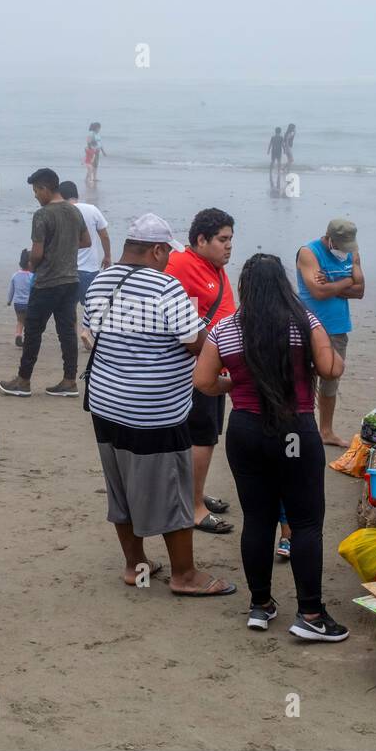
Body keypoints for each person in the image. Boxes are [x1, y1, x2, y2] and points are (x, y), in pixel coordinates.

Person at [195, 253, 348, 640]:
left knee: (258, 519)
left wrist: (233, 385)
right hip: (294, 431)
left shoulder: (225, 329)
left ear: (244, 288)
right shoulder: (304, 323)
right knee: (306, 522)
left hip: (245, 431)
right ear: (283, 286)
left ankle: (260, 605)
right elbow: (332, 369)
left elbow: (204, 382)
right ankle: (311, 615)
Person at [82, 214, 236, 597]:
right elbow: (195, 343)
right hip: (154, 410)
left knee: (120, 487)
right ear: (157, 249)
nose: (169, 260)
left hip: (105, 404)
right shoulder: (166, 286)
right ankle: (185, 575)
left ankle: (136, 567)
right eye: (168, 252)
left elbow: (94, 330)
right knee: (173, 490)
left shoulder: (100, 280)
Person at [165, 208, 237, 535]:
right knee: (201, 437)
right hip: (196, 368)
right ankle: (193, 507)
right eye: (223, 240)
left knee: (202, 437)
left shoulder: (212, 266)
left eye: (231, 240)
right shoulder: (182, 265)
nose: (229, 246)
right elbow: (175, 315)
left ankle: (195, 492)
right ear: (200, 240)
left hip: (211, 363)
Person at [0, 169, 89, 397]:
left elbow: (37, 253)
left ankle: (23, 380)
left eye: (36, 190)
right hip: (71, 280)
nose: (35, 196)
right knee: (67, 332)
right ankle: (69, 381)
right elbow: (86, 241)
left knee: (34, 330)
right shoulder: (74, 211)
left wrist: (33, 260)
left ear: (45, 188)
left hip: (47, 281)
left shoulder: (43, 214)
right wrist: (64, 249)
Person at [295, 218, 365, 447]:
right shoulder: (309, 252)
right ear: (330, 238)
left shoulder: (351, 250)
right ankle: (303, 429)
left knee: (331, 379)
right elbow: (317, 292)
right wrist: (346, 281)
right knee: (304, 379)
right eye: (341, 244)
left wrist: (334, 282)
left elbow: (360, 290)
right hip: (309, 326)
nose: (346, 249)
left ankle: (326, 431)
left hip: (337, 327)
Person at [59, 180, 111, 348]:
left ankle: (73, 338)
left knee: (70, 305)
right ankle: (86, 331)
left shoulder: (60, 212)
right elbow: (104, 235)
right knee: (92, 303)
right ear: (77, 195)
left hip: (68, 269)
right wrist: (107, 256)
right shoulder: (91, 210)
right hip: (90, 269)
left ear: (60, 196)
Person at [7, 249, 34, 347]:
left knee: (20, 321)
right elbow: (34, 291)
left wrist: (9, 301)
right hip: (28, 304)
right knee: (28, 323)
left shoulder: (15, 275)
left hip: (17, 304)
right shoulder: (32, 276)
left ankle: (18, 335)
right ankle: (27, 340)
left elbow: (11, 290)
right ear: (29, 263)